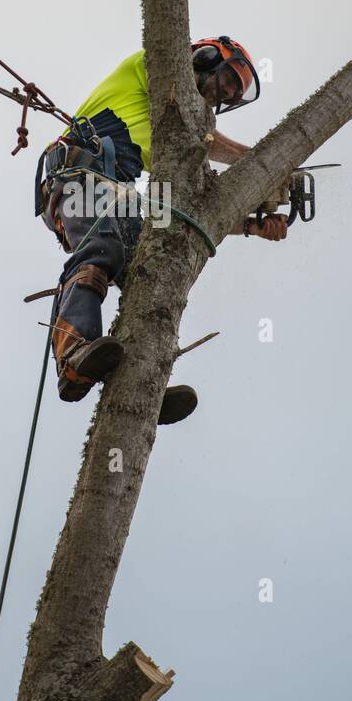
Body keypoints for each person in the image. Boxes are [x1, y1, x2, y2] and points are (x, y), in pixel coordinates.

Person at [33, 37, 288, 424]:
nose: (225, 93)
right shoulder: (156, 64)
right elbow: (206, 138)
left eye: (234, 92)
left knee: (157, 268)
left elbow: (185, 215)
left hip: (120, 190)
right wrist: (262, 163)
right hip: (77, 174)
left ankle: (143, 382)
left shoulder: (171, 149)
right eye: (227, 80)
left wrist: (251, 224)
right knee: (102, 248)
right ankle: (73, 357)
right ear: (202, 59)